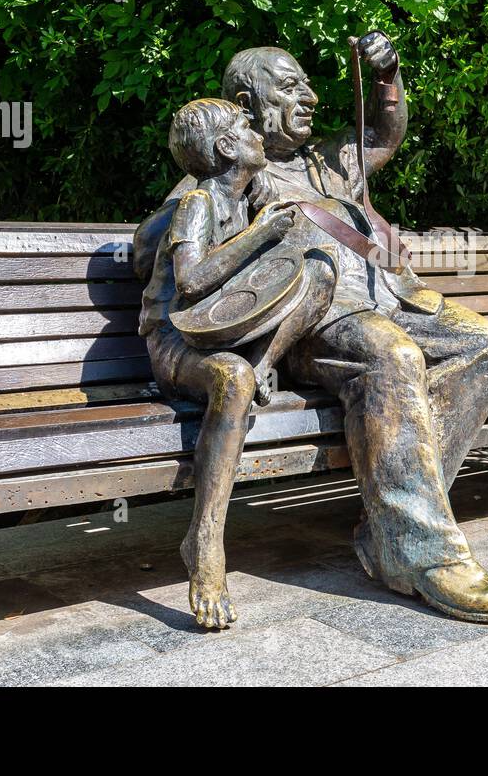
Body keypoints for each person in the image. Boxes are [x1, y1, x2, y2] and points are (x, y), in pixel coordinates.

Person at [218, 33, 488, 623]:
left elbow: (385, 133)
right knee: (395, 357)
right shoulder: (238, 171)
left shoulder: (332, 160)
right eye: (288, 87)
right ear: (246, 104)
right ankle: (418, 552)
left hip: (394, 299)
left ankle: (395, 520)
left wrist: (386, 77)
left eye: (307, 84)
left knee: (487, 345)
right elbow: (175, 234)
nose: (307, 96)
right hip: (318, 319)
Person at [134, 98, 335, 628]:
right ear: (225, 147)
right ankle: (204, 544)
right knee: (233, 378)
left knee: (319, 272)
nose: (257, 133)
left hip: (223, 332)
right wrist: (263, 233)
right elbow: (193, 280)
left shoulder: (246, 199)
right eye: (246, 126)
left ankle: (266, 360)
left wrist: (284, 239)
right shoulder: (197, 203)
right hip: (175, 344)